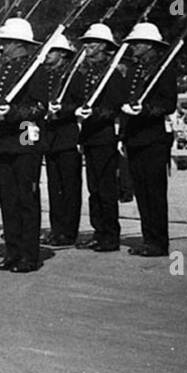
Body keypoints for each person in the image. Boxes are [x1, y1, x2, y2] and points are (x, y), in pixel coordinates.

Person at [0, 18, 47, 273]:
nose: (2, 47)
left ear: (19, 44)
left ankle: (29, 254)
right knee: (8, 198)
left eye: (6, 42)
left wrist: (11, 112)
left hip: (24, 132)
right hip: (5, 137)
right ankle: (13, 251)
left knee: (26, 196)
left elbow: (38, 107)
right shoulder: (4, 70)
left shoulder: (34, 70)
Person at [119, 22, 177, 257]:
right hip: (135, 137)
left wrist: (142, 111)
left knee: (154, 191)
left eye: (137, 44)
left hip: (153, 138)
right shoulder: (136, 70)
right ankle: (149, 238)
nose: (133, 48)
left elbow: (167, 103)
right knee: (141, 191)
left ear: (148, 46)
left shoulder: (164, 69)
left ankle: (159, 242)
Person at [74, 23, 125, 251]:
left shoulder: (111, 73)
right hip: (89, 136)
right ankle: (99, 231)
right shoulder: (85, 73)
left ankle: (110, 235)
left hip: (104, 135)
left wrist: (94, 113)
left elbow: (115, 106)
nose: (88, 47)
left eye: (93, 43)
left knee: (106, 188)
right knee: (94, 188)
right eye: (86, 43)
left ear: (104, 46)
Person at [40, 32, 82, 247]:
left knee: (69, 186)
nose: (46, 56)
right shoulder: (45, 76)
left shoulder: (72, 76)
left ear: (62, 55)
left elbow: (81, 103)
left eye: (51, 52)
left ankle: (69, 231)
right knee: (54, 187)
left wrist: (62, 110)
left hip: (66, 136)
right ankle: (57, 228)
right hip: (49, 137)